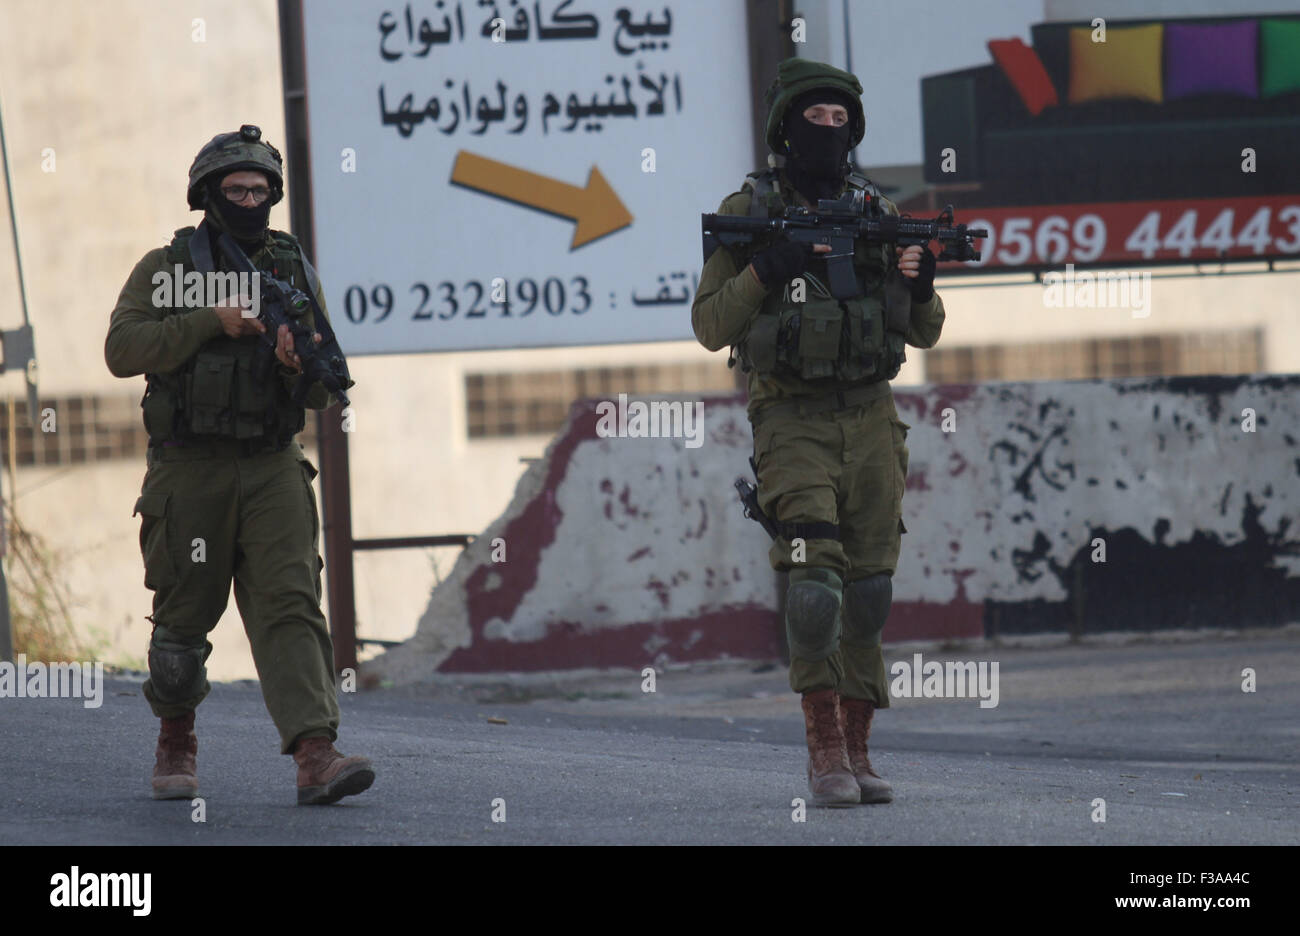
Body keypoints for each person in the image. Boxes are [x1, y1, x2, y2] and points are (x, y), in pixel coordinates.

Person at [692, 60, 945, 806]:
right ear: (786, 128)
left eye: (841, 121)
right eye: (815, 119)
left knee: (868, 590)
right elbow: (710, 327)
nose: (828, 133)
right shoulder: (750, 210)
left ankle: (860, 749)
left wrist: (918, 280)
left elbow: (922, 332)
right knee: (814, 587)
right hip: (790, 416)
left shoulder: (876, 211)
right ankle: (823, 748)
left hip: (870, 414)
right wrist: (767, 270)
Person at [105, 124, 373, 805]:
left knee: (291, 603)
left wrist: (293, 365)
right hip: (189, 469)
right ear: (208, 195)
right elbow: (122, 348)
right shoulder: (168, 270)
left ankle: (316, 754)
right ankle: (176, 736)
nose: (251, 200)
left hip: (271, 465)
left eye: (261, 190)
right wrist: (209, 322)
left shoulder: (288, 268)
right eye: (237, 190)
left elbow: (321, 379)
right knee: (182, 619)